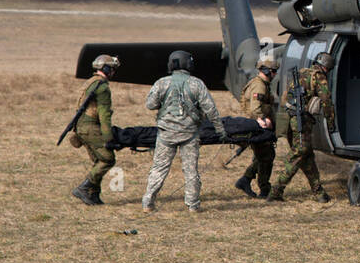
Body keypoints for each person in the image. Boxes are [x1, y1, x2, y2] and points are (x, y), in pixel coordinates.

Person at [141, 50, 226, 213]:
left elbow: (150, 104)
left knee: (159, 169)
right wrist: (220, 129)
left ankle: (148, 202)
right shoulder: (197, 84)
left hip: (166, 134)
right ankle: (193, 205)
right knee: (191, 171)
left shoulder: (161, 83)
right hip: (190, 134)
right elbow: (210, 109)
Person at [266, 51, 336, 203]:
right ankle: (276, 190)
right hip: (301, 122)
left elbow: (285, 96)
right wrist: (331, 122)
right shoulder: (319, 77)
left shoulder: (302, 73)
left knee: (307, 156)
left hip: (290, 119)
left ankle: (319, 192)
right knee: (298, 154)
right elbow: (326, 101)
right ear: (326, 67)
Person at [71, 54, 120, 206]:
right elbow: (104, 114)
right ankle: (84, 188)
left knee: (98, 160)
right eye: (112, 69)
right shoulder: (103, 87)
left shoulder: (91, 82)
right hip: (90, 127)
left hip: (81, 127)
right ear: (106, 69)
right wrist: (108, 137)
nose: (113, 72)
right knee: (108, 159)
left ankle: (93, 195)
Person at [235, 53, 279, 198]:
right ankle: (264, 188)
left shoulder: (261, 84)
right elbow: (255, 109)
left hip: (257, 127)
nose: (275, 74)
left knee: (261, 156)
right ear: (266, 71)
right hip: (258, 127)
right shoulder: (259, 86)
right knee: (266, 157)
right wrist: (264, 120)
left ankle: (245, 180)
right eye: (273, 71)